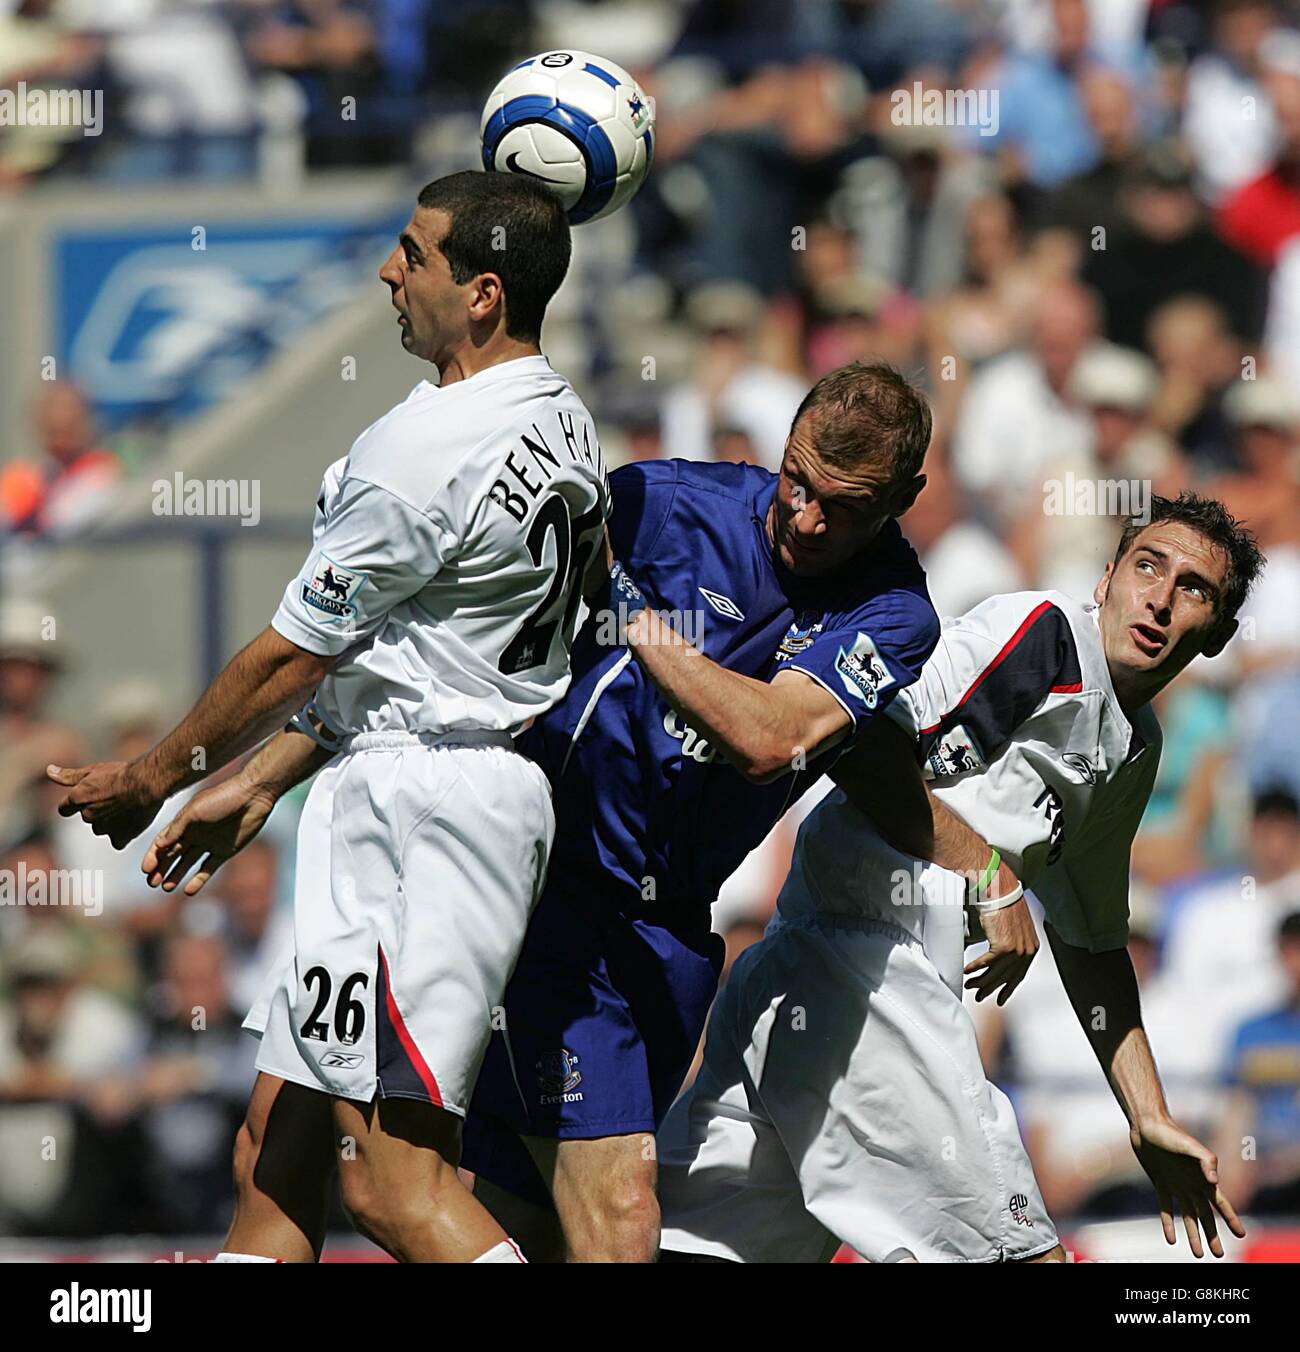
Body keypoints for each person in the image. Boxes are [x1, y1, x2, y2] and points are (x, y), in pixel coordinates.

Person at [148, 360, 940, 1262]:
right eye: (797, 481)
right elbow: (452, 650)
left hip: (667, 934)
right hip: (540, 883)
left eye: (843, 505)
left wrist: (986, 871)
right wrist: (267, 774)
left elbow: (776, 740)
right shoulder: (659, 505)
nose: (806, 518)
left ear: (903, 500)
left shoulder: (896, 613)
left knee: (510, 1215)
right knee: (588, 1211)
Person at [48, 170, 609, 1264]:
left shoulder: (425, 451)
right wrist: (259, 779)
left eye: (415, 252)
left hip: (429, 815)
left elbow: (291, 655)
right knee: (274, 1149)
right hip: (420, 783)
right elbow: (408, 658)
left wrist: (154, 775)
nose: (388, 271)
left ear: (484, 293)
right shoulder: (559, 418)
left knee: (392, 1186)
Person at [657, 492, 1260, 1263]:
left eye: (1193, 588)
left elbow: (1091, 939)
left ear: (1219, 633)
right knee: (1024, 1258)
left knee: (694, 1253)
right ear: (1107, 578)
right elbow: (859, 738)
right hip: (866, 970)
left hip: (810, 983)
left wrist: (1146, 1112)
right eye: (1148, 567)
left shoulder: (1133, 747)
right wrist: (991, 873)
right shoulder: (1044, 638)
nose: (1161, 598)